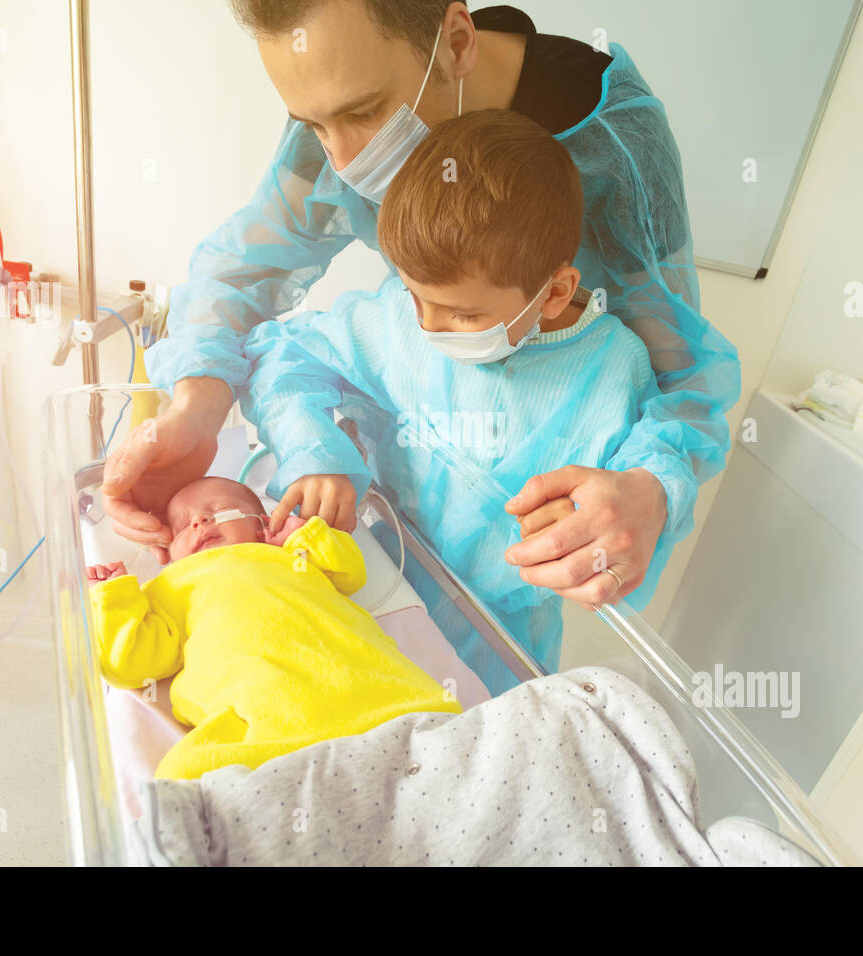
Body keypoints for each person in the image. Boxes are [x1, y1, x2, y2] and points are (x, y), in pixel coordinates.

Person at [103, 1, 740, 609]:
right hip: (394, 527)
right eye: (312, 125)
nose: (344, 162)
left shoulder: (611, 151)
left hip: (506, 582)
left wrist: (649, 488)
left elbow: (681, 374)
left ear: (457, 42)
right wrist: (196, 405)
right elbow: (247, 269)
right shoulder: (344, 101)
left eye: (365, 112)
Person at [242, 109, 669, 680]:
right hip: (378, 587)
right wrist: (318, 455)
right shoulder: (397, 321)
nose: (429, 328)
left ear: (554, 292)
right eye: (416, 296)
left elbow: (635, 499)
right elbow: (284, 359)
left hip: (503, 644)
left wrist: (592, 544)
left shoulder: (614, 370)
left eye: (464, 314)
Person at [86, 475, 462, 779]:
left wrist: (305, 534)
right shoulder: (172, 583)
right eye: (183, 525)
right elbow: (132, 662)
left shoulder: (290, 555)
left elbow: (350, 570)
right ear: (168, 555)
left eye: (219, 511)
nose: (199, 522)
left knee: (444, 732)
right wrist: (115, 597)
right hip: (258, 727)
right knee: (182, 775)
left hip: (372, 699)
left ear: (263, 524)